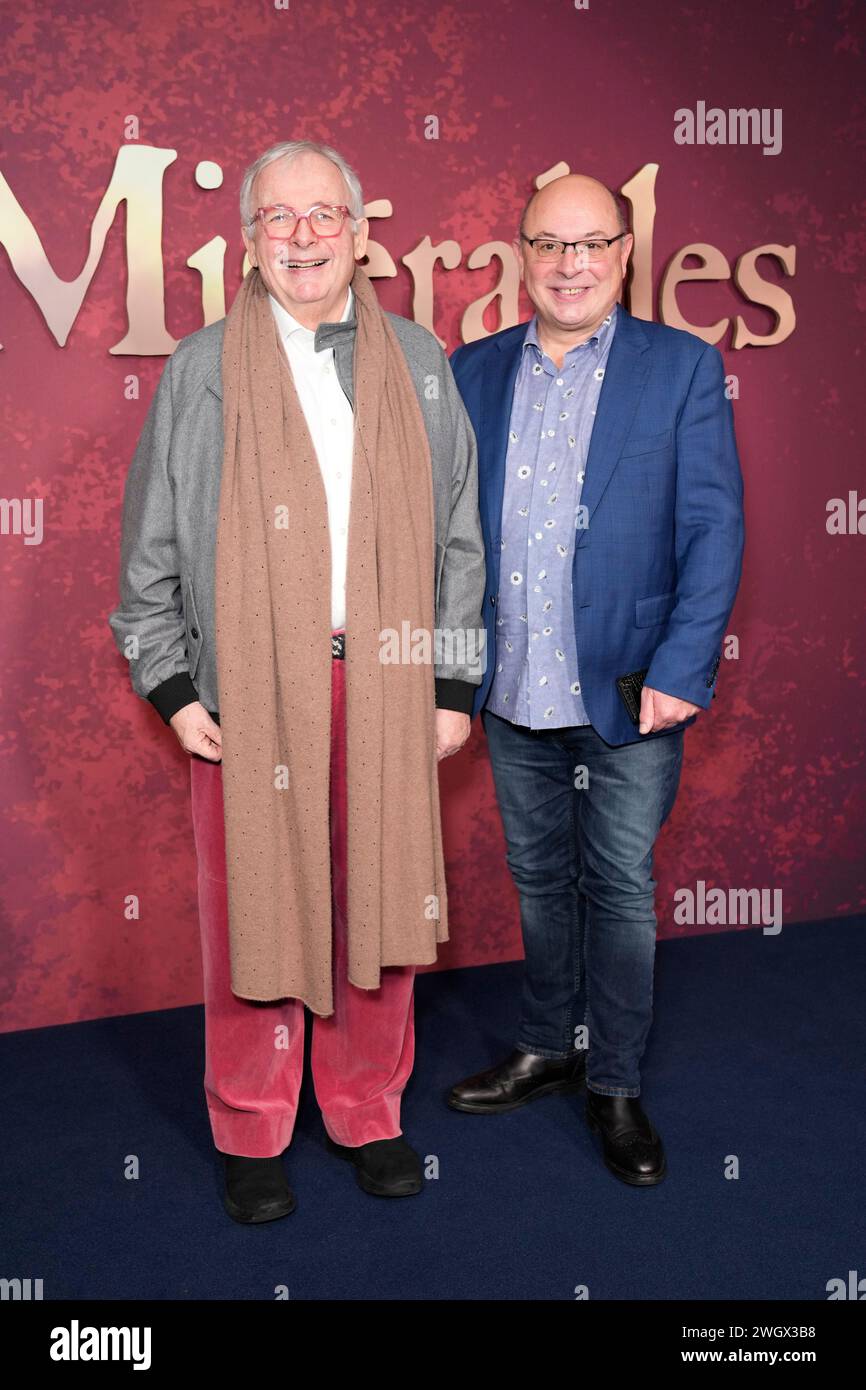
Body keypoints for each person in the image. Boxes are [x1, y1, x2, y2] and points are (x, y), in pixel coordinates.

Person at [108, 139, 485, 1222]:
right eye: (279, 219)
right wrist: (174, 686)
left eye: (325, 216)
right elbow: (150, 551)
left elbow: (459, 534)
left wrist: (450, 687)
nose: (304, 236)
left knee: (379, 901)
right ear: (248, 244)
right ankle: (252, 1119)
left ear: (362, 235)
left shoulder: (416, 357)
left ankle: (368, 1108)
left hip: (386, 684)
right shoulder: (200, 368)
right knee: (255, 914)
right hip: (250, 696)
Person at [447, 173, 744, 1186]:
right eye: (546, 244)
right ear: (519, 255)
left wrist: (680, 670)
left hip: (628, 689)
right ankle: (545, 1046)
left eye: (589, 244)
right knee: (536, 879)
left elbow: (711, 527)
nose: (568, 264)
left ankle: (612, 1082)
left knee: (615, 886)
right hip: (510, 684)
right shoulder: (472, 371)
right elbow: (448, 535)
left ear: (623, 253)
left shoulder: (679, 369)